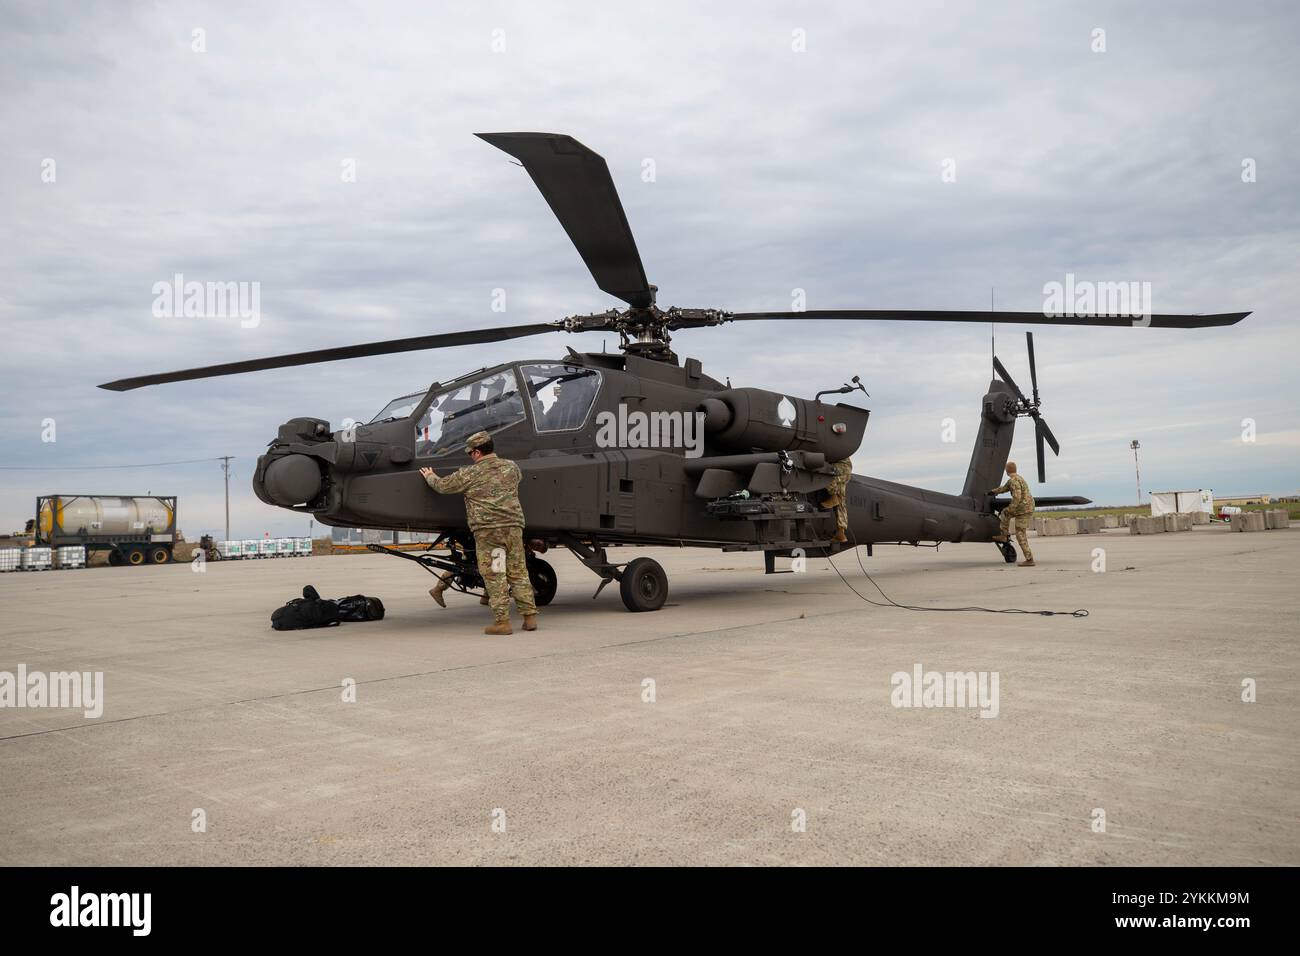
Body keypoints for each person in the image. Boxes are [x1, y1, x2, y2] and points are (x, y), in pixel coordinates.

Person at [419, 431, 538, 634]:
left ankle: (502, 623)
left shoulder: (470, 473)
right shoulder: (512, 467)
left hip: (489, 532)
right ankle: (529, 618)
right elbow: (515, 480)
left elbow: (442, 486)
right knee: (518, 572)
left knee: (494, 574)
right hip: (513, 527)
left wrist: (429, 475)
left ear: (476, 452)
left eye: (470, 453)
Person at [990, 461, 1036, 567]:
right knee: (1005, 513)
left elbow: (1017, 496)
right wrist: (993, 491)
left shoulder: (1014, 481)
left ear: (1007, 471)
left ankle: (1029, 559)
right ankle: (1003, 535)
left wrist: (1012, 508)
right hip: (1026, 507)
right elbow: (1004, 488)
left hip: (1022, 509)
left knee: (1020, 534)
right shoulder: (1018, 479)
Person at [822, 459, 854, 543]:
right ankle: (841, 532)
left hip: (841, 468)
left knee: (822, 473)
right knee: (841, 501)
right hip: (845, 469)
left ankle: (833, 496)